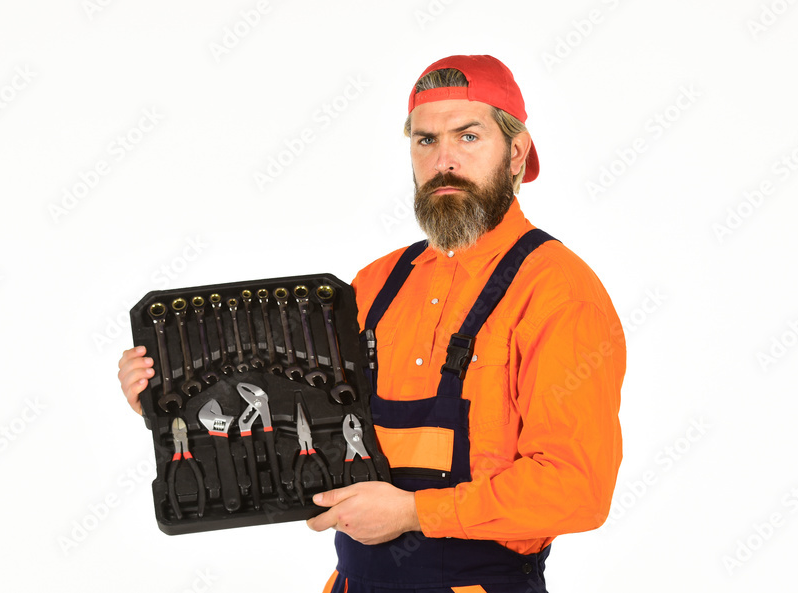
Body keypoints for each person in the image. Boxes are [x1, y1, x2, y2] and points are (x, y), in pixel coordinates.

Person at [118, 54, 625, 593]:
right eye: (426, 140)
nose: (444, 160)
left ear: (517, 153)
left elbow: (577, 489)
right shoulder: (376, 284)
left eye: (468, 136)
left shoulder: (557, 292)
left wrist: (414, 514)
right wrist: (168, 394)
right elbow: (292, 410)